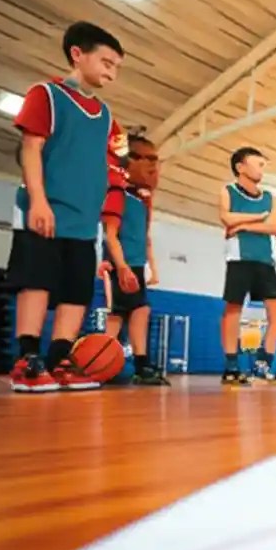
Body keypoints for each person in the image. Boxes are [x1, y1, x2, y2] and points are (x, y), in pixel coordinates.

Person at [7, 21, 126, 393]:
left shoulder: (106, 115)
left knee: (76, 290)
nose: (111, 71)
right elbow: (31, 149)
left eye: (116, 66)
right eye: (106, 61)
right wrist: (38, 200)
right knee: (36, 282)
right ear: (77, 54)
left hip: (83, 220)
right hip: (47, 208)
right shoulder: (46, 94)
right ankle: (27, 358)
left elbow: (107, 166)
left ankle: (60, 357)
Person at [218, 147, 276, 386]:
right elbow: (226, 218)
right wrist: (259, 218)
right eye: (258, 163)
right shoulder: (228, 191)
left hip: (266, 262)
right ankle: (231, 366)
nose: (262, 168)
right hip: (239, 259)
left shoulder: (272, 199)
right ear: (241, 167)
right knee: (232, 311)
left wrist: (242, 224)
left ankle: (263, 364)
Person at [99, 133, 168, 385]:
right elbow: (110, 235)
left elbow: (145, 237)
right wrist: (121, 266)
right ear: (129, 161)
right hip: (121, 264)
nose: (153, 166)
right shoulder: (117, 194)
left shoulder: (143, 201)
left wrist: (152, 268)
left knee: (137, 311)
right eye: (147, 159)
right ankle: (102, 363)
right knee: (119, 314)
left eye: (155, 160)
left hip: (135, 265)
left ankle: (136, 365)